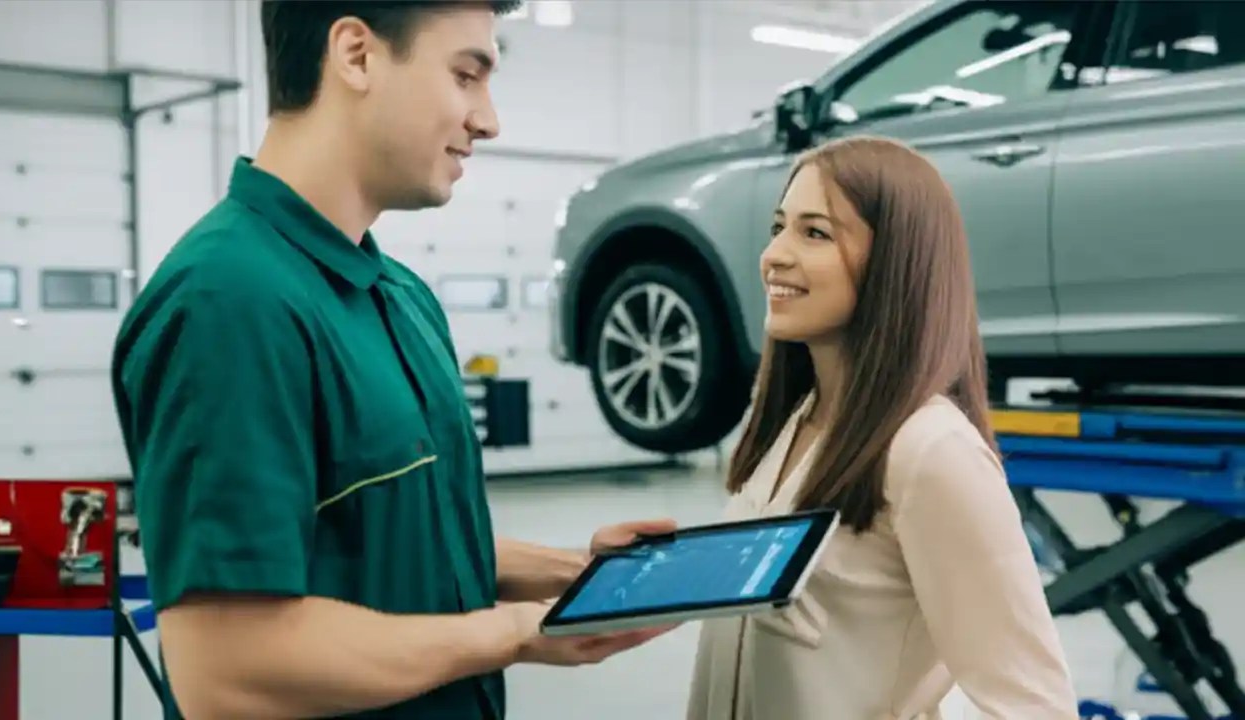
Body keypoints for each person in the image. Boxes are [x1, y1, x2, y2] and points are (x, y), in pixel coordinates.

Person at [110, 2, 675, 719]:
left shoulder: (398, 296)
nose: (488, 119)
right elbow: (227, 668)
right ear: (355, 55)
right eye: (467, 75)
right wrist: (511, 633)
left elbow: (402, 537)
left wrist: (580, 574)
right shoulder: (230, 301)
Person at [685, 136, 1079, 719]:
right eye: (779, 227)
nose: (774, 254)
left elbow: (1033, 704)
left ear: (895, 262)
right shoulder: (796, 422)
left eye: (814, 232)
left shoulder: (930, 450)